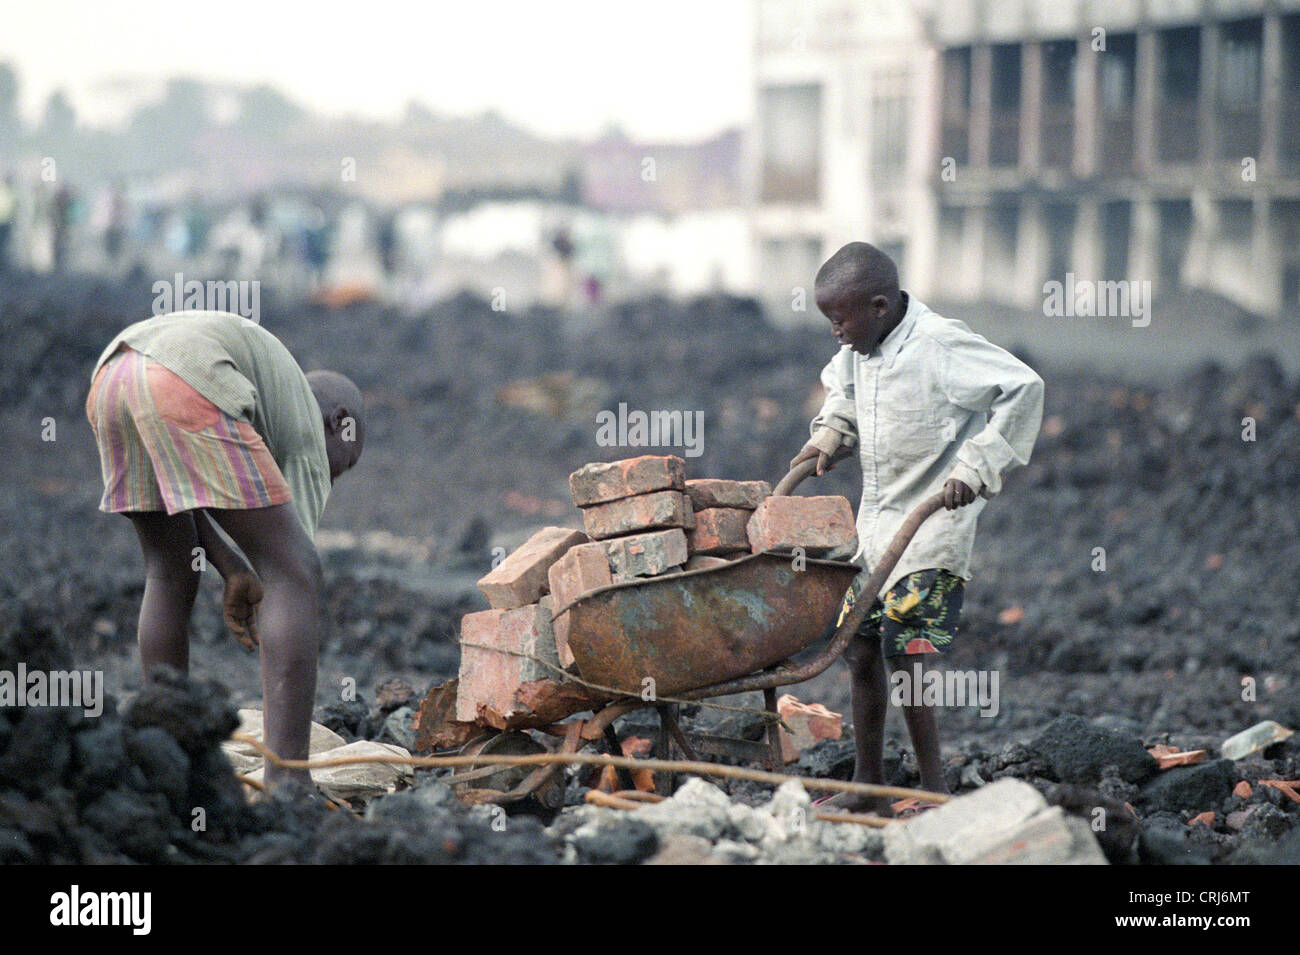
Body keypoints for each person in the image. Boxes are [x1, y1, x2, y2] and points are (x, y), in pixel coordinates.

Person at [790, 242, 1043, 814]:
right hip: (879, 531)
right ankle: (868, 788)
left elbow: (1024, 388)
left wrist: (976, 466)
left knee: (906, 648)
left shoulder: (939, 345)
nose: (835, 331)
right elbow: (845, 395)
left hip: (932, 531)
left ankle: (933, 789)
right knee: (857, 650)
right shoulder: (860, 348)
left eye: (839, 319)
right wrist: (832, 433)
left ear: (879, 306)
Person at [85, 310, 365, 788]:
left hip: (113, 376)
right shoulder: (305, 429)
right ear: (340, 424)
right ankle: (288, 780)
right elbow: (292, 570)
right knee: (295, 572)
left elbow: (185, 494)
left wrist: (229, 563)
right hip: (184, 378)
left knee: (169, 573)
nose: (333, 477)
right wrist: (276, 581)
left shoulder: (261, 388)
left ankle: (166, 755)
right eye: (343, 465)